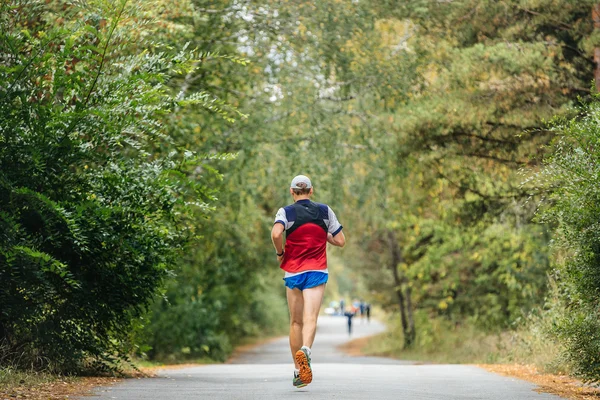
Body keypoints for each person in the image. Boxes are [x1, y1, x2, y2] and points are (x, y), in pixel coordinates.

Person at [271, 175, 346, 389]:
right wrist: (325, 236)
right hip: (316, 270)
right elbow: (340, 240)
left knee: (296, 322)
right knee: (311, 317)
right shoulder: (324, 211)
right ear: (311, 191)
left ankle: (297, 370)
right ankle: (306, 349)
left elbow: (276, 232)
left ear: (292, 192)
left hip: (293, 271)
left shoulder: (286, 212)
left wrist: (280, 252)